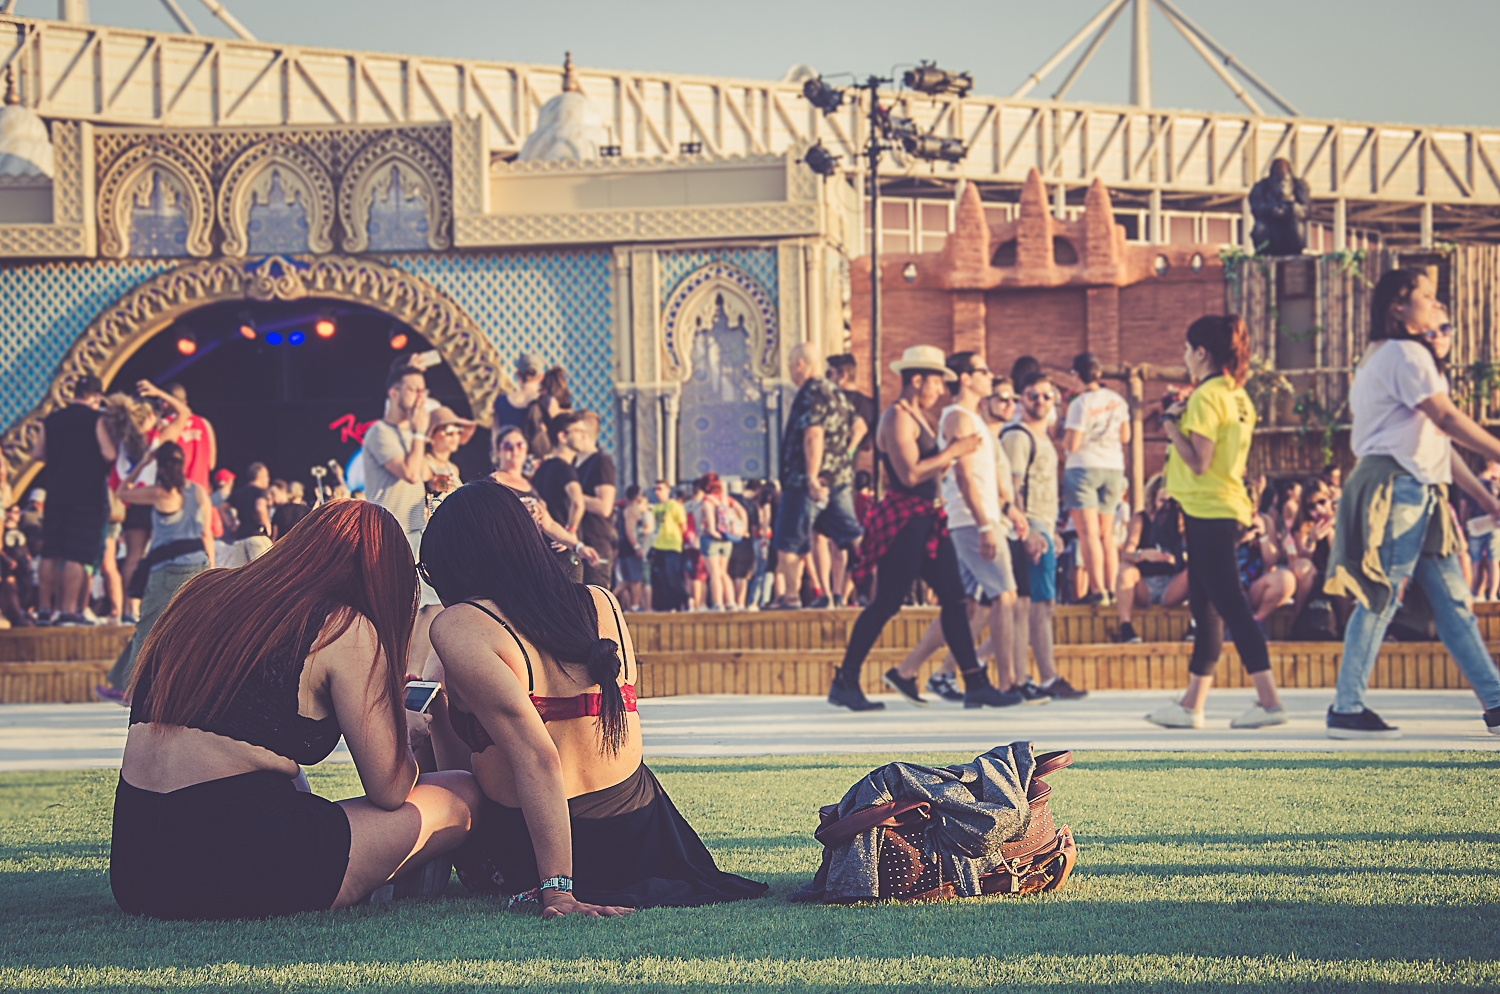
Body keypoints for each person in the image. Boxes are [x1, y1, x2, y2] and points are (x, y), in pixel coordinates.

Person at [110, 499, 481, 919]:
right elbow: (390, 790)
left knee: (286, 778)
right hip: (235, 868)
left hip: (137, 868)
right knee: (461, 791)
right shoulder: (342, 625)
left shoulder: (201, 593)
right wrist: (405, 732)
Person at [419, 481, 769, 910]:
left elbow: (537, 757)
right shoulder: (601, 600)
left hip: (535, 843)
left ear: (456, 561)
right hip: (643, 832)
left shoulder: (460, 625)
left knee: (434, 697)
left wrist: (558, 888)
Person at [1325, 269, 1500, 738]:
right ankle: (1346, 707)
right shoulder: (1405, 353)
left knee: (1454, 604)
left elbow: (1437, 442)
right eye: (1426, 296)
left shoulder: (1383, 355)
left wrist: (1485, 498)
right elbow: (1446, 418)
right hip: (1399, 486)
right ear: (1397, 307)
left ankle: (1497, 704)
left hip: (1416, 487)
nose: (1435, 303)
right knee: (1380, 595)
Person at [831, 346, 1016, 711]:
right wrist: (953, 451)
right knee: (887, 603)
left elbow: (932, 470)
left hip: (929, 520)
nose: (940, 390)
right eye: (936, 382)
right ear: (917, 380)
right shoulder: (896, 418)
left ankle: (975, 682)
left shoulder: (919, 416)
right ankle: (846, 680)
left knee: (955, 599)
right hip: (905, 523)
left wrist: (950, 457)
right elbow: (910, 474)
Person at [1147, 315, 1286, 730]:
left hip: (1209, 509)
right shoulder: (1237, 395)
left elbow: (1199, 462)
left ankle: (1269, 702)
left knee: (1230, 606)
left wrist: (1169, 423)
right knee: (1205, 605)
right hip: (1222, 507)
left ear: (1201, 352)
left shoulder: (1207, 396)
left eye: (1187, 349)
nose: (1184, 357)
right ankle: (1191, 705)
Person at [881, 352, 1032, 707]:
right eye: (983, 370)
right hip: (970, 520)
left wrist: (1008, 510)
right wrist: (985, 524)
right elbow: (964, 478)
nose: (990, 376)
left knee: (964, 607)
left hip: (974, 519)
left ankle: (906, 671)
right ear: (965, 378)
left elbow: (983, 476)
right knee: (1005, 596)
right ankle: (1007, 683)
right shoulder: (958, 418)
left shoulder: (972, 419)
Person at [98, 441, 213, 702]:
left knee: (147, 626)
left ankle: (130, 688)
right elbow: (206, 533)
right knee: (191, 628)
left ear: (160, 466)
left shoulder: (160, 493)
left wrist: (143, 463)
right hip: (198, 564)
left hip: (168, 568)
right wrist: (211, 569)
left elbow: (122, 492)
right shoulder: (197, 491)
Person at [1001, 372, 1084, 703]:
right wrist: (1029, 530)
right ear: (1021, 399)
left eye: (1047, 396)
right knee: (1039, 604)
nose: (1040, 401)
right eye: (1033, 395)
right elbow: (1013, 487)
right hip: (1030, 523)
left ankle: (965, 665)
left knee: (1039, 604)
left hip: (1044, 524)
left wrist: (1053, 530)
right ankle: (1047, 677)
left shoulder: (1044, 438)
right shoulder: (1018, 436)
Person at [771, 342, 863, 609]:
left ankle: (791, 596)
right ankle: (880, 583)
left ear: (801, 364)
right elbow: (859, 425)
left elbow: (813, 435)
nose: (790, 370)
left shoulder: (809, 393)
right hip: (838, 480)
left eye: (791, 365)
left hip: (805, 482)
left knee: (788, 540)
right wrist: (843, 455)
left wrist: (812, 476)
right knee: (851, 536)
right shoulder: (835, 392)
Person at [363, 361, 442, 667]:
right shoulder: (379, 432)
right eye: (413, 389)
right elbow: (409, 471)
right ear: (394, 393)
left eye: (423, 390)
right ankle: (398, 674)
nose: (420, 397)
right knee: (402, 609)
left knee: (432, 605)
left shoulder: (411, 435)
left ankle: (411, 674)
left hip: (416, 530)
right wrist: (420, 433)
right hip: (389, 531)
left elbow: (423, 474)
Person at [31, 375, 116, 627]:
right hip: (86, 496)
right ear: (96, 396)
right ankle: (67, 611)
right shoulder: (96, 419)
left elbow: (37, 453)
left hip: (56, 492)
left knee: (51, 551)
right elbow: (109, 453)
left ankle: (44, 610)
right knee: (76, 554)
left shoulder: (52, 419)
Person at [1062, 352, 1130, 606]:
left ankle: (1097, 590)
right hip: (1113, 467)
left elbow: (1073, 443)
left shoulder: (1079, 403)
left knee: (1088, 533)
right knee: (1107, 534)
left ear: (1076, 376)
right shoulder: (1118, 400)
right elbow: (1125, 436)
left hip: (1084, 466)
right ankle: (1112, 590)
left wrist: (1063, 440)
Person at [490, 424, 593, 581]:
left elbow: (549, 524)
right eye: (507, 446)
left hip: (537, 563)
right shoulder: (492, 483)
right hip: (510, 562)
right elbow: (489, 524)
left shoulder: (531, 484)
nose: (515, 450)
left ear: (526, 449)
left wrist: (576, 545)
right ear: (498, 451)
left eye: (520, 445)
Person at [1115, 476, 1189, 643]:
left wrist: (1177, 558)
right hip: (1145, 584)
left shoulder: (1181, 520)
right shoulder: (1141, 518)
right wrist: (1142, 555)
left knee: (1197, 571)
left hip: (1172, 584)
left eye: (1171, 501)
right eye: (1162, 500)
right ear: (1153, 498)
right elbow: (1125, 554)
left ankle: (1195, 625)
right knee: (1125, 569)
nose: (1166, 506)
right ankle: (1126, 627)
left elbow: (1193, 554)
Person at [567, 411, 617, 589]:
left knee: (596, 596)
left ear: (583, 433)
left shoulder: (601, 462)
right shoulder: (570, 463)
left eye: (570, 431)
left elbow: (605, 506)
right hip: (574, 543)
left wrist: (570, 496)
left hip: (595, 543)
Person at [692, 473, 745, 611]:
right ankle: (731, 602)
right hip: (727, 538)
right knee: (724, 572)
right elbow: (742, 511)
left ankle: (718, 603)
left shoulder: (707, 501)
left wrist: (713, 532)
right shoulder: (726, 499)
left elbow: (710, 526)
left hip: (710, 539)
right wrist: (742, 530)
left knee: (714, 573)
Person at [424, 407, 475, 514]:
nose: (455, 436)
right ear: (431, 437)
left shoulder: (453, 468)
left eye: (458, 430)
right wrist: (431, 487)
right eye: (448, 431)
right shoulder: (423, 464)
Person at [648, 480, 689, 612]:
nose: (657, 492)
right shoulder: (655, 508)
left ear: (668, 490)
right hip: (658, 546)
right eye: (655, 489)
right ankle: (668, 605)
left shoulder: (674, 505)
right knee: (662, 578)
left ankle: (682, 602)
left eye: (660, 488)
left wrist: (677, 539)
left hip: (672, 546)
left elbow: (683, 526)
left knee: (672, 575)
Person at [227, 462, 274, 566]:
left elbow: (222, 507)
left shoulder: (238, 493)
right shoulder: (260, 491)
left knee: (240, 573)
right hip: (256, 536)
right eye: (266, 476)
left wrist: (230, 525)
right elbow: (260, 507)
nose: (268, 479)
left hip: (239, 539)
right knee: (266, 569)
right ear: (259, 476)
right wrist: (267, 525)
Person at [618, 484, 654, 611]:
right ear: (637, 496)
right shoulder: (632, 509)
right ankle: (635, 606)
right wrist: (637, 547)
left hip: (624, 548)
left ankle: (610, 597)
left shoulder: (625, 508)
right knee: (636, 580)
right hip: (630, 549)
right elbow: (629, 531)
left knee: (628, 580)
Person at [493, 353, 544, 435]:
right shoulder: (548, 402)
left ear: (518, 375)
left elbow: (495, 435)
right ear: (541, 377)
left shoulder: (501, 401)